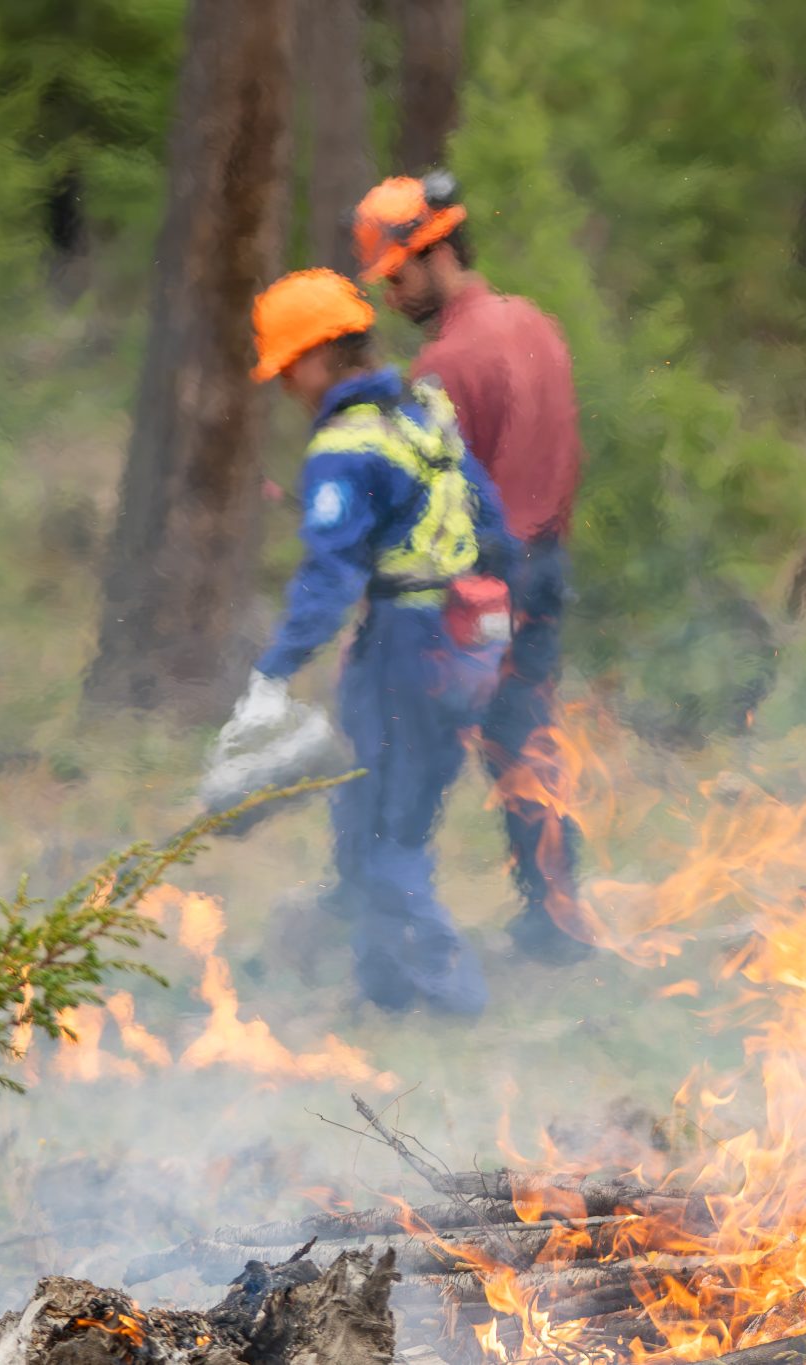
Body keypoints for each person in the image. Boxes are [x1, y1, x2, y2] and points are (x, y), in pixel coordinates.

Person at [221, 267, 518, 1015]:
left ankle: (453, 1001)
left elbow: (331, 575)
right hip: (464, 643)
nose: (284, 384)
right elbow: (494, 528)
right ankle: (383, 991)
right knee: (376, 820)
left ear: (322, 356)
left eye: (288, 367)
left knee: (386, 835)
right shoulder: (424, 413)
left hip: (403, 648)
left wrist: (275, 671)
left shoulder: (347, 445)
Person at [349, 172, 594, 966]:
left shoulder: (446, 366)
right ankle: (557, 911)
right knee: (528, 736)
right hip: (546, 560)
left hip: (481, 581)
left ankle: (388, 932)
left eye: (398, 276)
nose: (392, 296)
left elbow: (433, 507)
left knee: (410, 744)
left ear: (438, 252)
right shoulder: (537, 325)